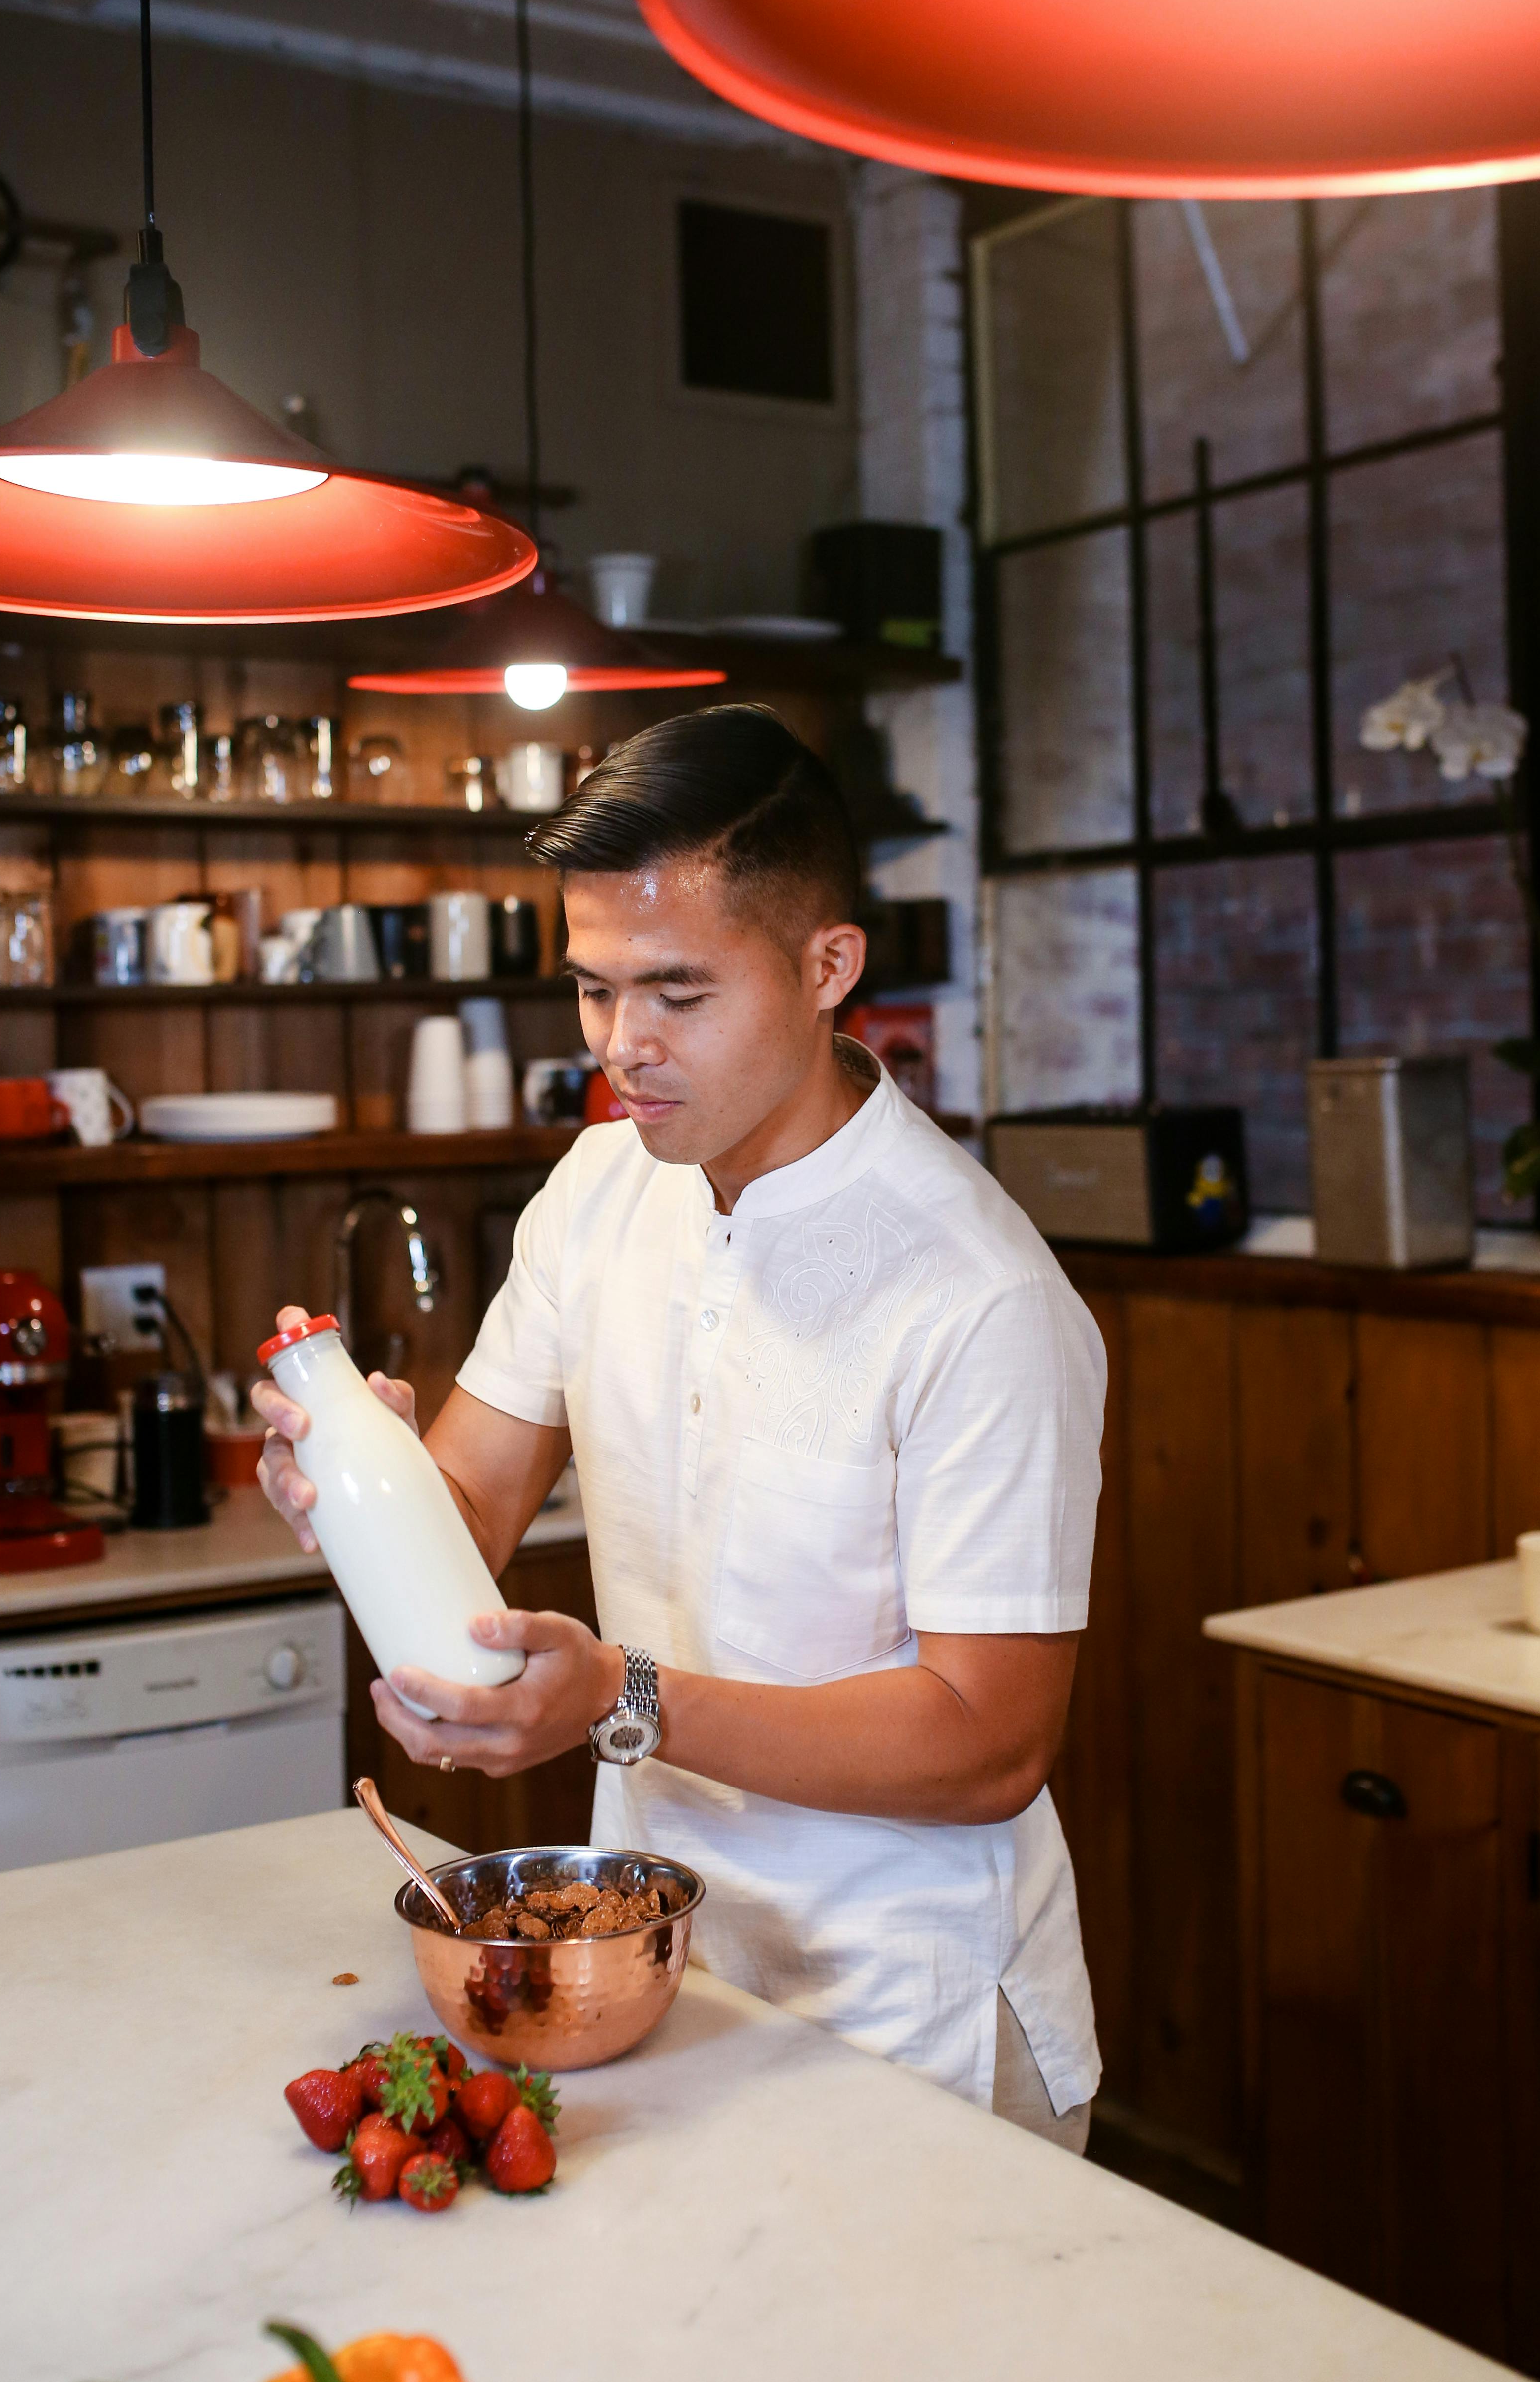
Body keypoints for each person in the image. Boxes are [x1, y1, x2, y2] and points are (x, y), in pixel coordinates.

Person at [254, 705, 1105, 2144]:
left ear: (828, 964)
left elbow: (986, 1746)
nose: (620, 1049)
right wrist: (356, 1490)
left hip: (913, 2015)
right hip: (655, 1972)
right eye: (593, 992)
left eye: (676, 995)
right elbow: (466, 1518)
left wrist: (614, 1696)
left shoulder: (978, 1293)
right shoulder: (598, 1189)